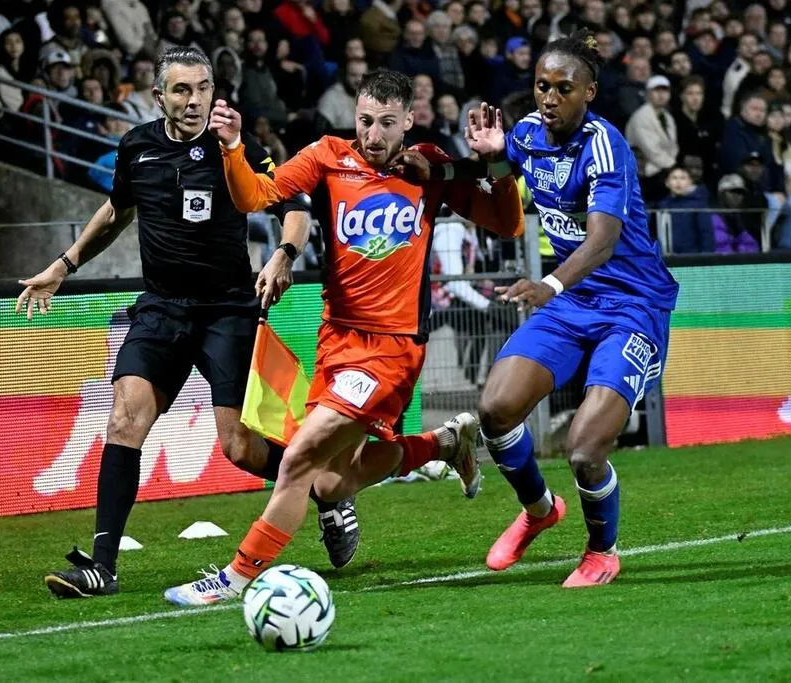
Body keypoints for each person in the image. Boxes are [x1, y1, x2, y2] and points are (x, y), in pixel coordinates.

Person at [162, 69, 527, 606]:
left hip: (392, 348)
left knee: (298, 458)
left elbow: (508, 223)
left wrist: (496, 162)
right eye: (365, 121)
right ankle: (445, 443)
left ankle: (234, 579)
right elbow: (256, 196)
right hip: (337, 340)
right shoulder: (327, 155)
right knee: (331, 483)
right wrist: (234, 147)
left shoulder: (429, 165)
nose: (373, 135)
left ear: (409, 120)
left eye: (386, 123)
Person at [16, 47, 357, 599]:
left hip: (227, 310)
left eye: (202, 88)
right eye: (181, 89)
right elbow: (117, 211)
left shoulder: (236, 148)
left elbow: (294, 208)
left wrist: (284, 255)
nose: (194, 99)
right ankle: (102, 567)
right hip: (161, 308)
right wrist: (64, 265)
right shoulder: (137, 147)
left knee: (239, 447)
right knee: (124, 419)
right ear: (159, 97)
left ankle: (326, 491)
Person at [472, 30, 679, 588]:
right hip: (575, 300)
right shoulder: (525, 134)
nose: (549, 97)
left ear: (588, 92)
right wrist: (489, 161)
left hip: (631, 305)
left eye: (563, 88)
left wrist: (549, 285)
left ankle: (601, 552)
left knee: (584, 449)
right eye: (542, 86)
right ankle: (540, 510)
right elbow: (500, 186)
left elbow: (602, 241)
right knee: (495, 409)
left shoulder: (604, 144)